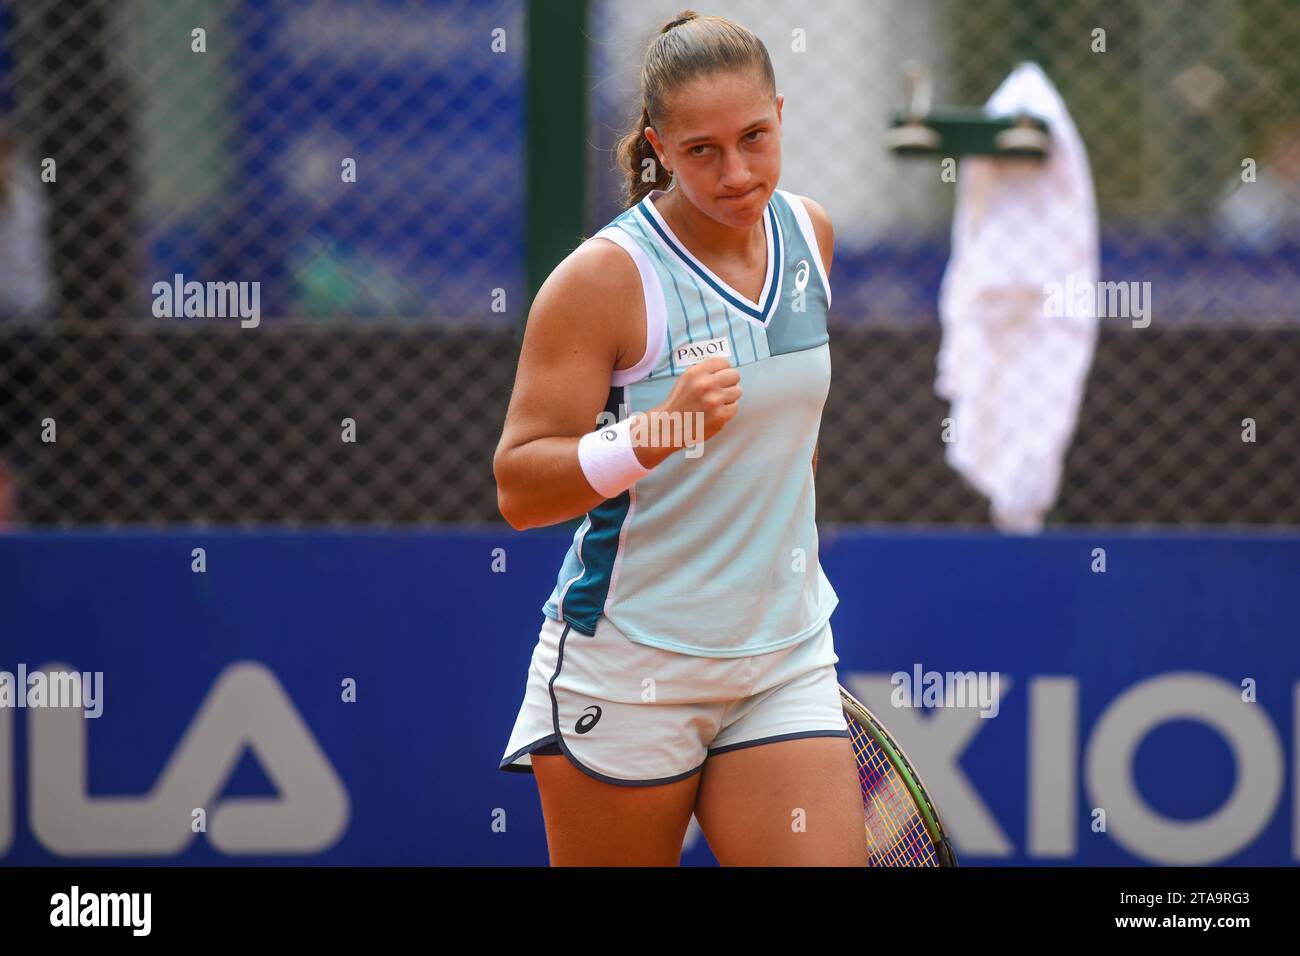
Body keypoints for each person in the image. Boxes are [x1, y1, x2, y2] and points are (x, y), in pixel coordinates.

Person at [493, 10, 865, 866]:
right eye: (702, 150)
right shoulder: (602, 279)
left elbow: (790, 441)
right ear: (657, 145)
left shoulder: (811, 236)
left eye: (755, 138)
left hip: (782, 658)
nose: (737, 172)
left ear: (781, 113)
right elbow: (519, 487)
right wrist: (653, 434)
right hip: (627, 667)